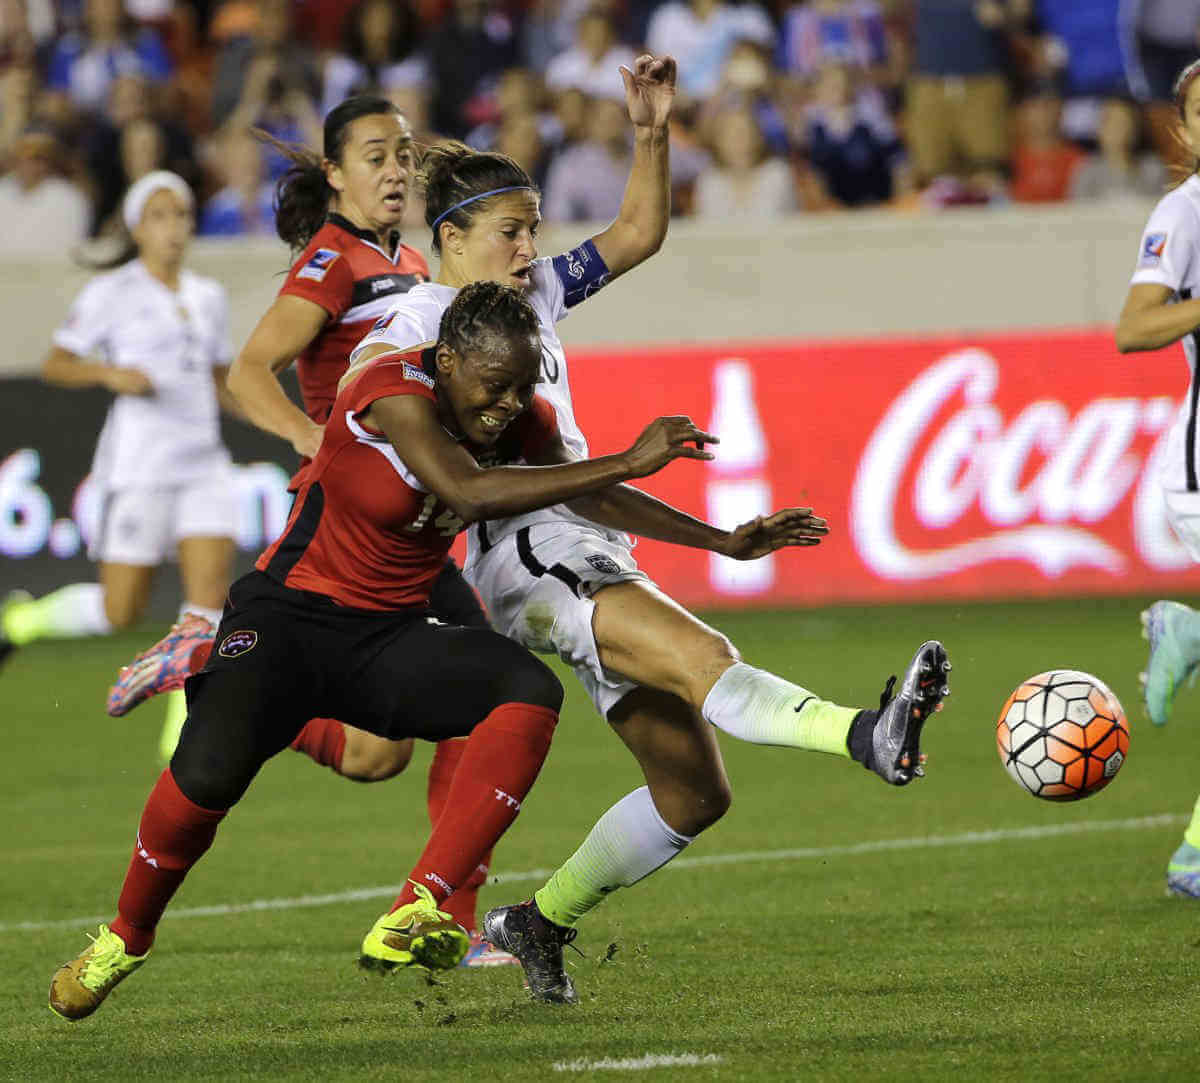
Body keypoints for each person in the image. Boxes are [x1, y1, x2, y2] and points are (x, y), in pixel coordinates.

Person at [107, 55, 951, 1004]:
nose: (528, 248)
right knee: (691, 653)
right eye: (511, 231)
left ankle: (536, 924)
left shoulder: (532, 294)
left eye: (533, 231)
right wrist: (334, 435)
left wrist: (651, 132)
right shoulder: (418, 322)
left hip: (579, 531)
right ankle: (865, 734)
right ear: (451, 236)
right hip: (528, 551)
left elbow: (636, 233)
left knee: (691, 795)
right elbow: (369, 393)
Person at [46, 281, 732, 1022]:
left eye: (522, 385)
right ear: (445, 360)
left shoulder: (515, 415)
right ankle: (126, 936)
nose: (507, 403)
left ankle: (419, 905)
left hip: (386, 637)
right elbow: (466, 491)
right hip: (286, 620)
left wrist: (722, 538)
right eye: (493, 384)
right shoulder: (389, 388)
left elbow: (580, 495)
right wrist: (628, 458)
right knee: (206, 779)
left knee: (525, 690)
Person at [111, 93, 517, 966]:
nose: (396, 169)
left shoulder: (405, 258)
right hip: (352, 523)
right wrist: (310, 436)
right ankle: (450, 917)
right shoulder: (334, 261)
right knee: (494, 696)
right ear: (334, 173)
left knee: (379, 758)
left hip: (409, 522)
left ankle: (212, 657)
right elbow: (250, 371)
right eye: (375, 155)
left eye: (403, 154)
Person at [0, 172, 237, 731]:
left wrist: (291, 425)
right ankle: (24, 620)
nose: (173, 228)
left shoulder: (209, 296)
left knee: (207, 604)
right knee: (119, 611)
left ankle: (185, 729)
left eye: (180, 215)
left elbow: (223, 382)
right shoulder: (113, 292)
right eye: (159, 216)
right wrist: (111, 373)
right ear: (136, 226)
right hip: (140, 467)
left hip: (203, 463)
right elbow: (58, 362)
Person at [1116, 57, 1200, 902]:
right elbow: (1133, 327)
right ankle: (1196, 857)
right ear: (1184, 130)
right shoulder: (1184, 213)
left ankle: (1190, 630)